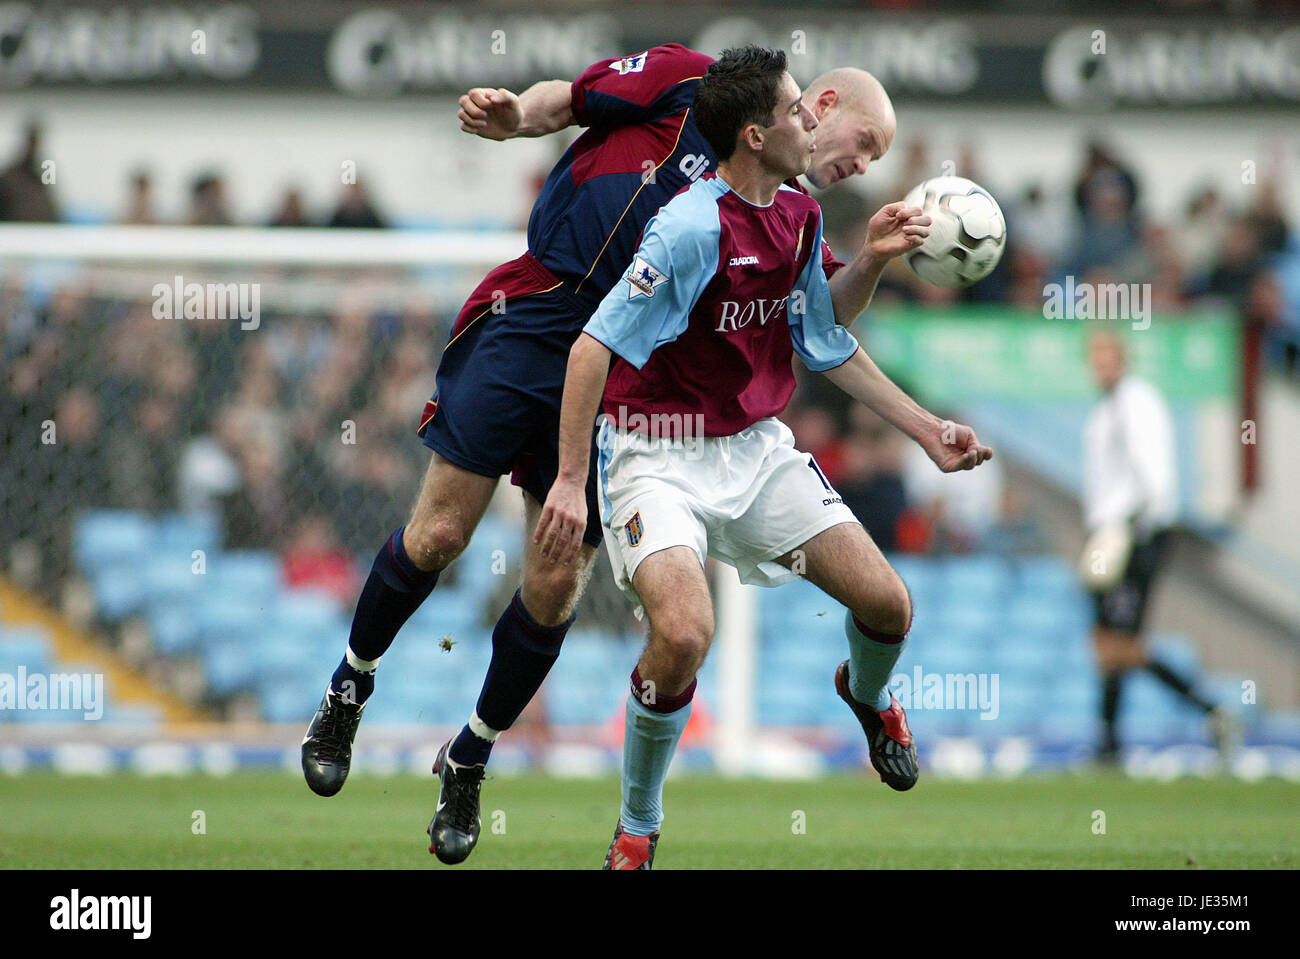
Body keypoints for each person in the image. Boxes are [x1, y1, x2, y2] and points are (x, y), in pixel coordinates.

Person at [300, 41, 910, 867]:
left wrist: (873, 259)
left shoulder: (780, 202)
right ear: (817, 109)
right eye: (867, 145)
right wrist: (519, 116)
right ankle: (349, 685)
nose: (862, 165)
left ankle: (471, 755)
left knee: (553, 584)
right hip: (542, 312)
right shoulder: (692, 81)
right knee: (441, 532)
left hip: (625, 373)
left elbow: (820, 325)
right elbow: (572, 99)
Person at [534, 46, 992, 870]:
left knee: (889, 605)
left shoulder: (800, 216)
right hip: (657, 451)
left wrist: (927, 427)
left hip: (754, 449)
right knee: (682, 634)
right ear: (756, 133)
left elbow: (824, 341)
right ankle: (639, 825)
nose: (809, 124)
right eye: (795, 112)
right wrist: (571, 480)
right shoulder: (686, 226)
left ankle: (866, 692)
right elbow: (589, 349)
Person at [1080, 329, 1237, 765]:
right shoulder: (1107, 411)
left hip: (1132, 534)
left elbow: (1154, 471)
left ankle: (1208, 711)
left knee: (1118, 644)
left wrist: (1140, 527)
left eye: (1107, 355)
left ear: (1123, 359)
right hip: (1108, 536)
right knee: (1108, 642)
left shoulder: (1136, 403)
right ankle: (1111, 743)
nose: (1100, 365)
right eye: (1095, 356)